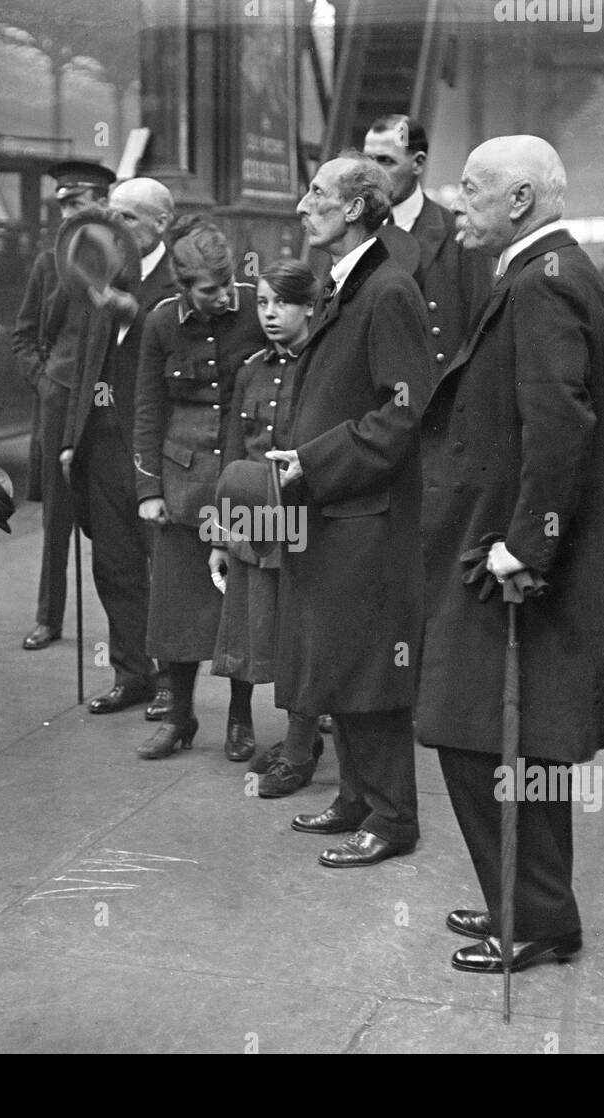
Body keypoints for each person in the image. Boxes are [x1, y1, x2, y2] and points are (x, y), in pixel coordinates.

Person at [418, 135, 604, 974]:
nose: (458, 200)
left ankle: (538, 916)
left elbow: (560, 424)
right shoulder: (545, 271)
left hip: (521, 560)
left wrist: (527, 544)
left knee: (480, 733)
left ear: (518, 201)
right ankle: (531, 904)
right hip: (529, 549)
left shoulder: (541, 284)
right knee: (515, 739)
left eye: (472, 188)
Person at [266, 151, 432, 868]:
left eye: (318, 193)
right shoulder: (350, 284)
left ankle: (393, 818)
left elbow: (404, 413)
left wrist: (315, 460)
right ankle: (359, 797)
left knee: (373, 667)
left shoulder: (388, 290)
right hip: (338, 512)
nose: (304, 204)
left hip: (364, 515)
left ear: (359, 207)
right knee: (342, 657)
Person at [133, 218, 263, 760]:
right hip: (182, 482)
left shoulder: (258, 307)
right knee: (177, 611)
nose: (224, 296)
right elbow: (147, 407)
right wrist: (148, 489)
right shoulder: (161, 323)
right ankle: (180, 717)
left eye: (228, 282)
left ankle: (240, 719)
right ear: (183, 287)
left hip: (244, 480)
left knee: (241, 609)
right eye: (210, 290)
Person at [59, 180, 177, 719]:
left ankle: (175, 685)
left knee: (168, 570)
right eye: (111, 215)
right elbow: (83, 362)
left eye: (128, 218)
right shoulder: (95, 271)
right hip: (101, 444)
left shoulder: (179, 281)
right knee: (114, 566)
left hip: (156, 449)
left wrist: (137, 314)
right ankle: (133, 675)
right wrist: (69, 439)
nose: (115, 227)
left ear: (161, 225)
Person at [210, 259, 323, 796]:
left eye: (283, 303)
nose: (271, 314)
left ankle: (302, 744)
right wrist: (220, 535)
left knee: (298, 634)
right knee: (253, 627)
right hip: (253, 520)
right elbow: (233, 454)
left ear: (310, 307)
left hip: (302, 518)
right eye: (262, 303)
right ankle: (264, 729)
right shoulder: (251, 370)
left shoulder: (322, 369)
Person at [12, 161, 116, 653]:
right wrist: (45, 381)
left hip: (112, 400)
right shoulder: (45, 262)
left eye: (76, 203)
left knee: (122, 515)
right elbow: (24, 334)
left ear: (102, 204)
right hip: (62, 395)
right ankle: (48, 616)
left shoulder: (123, 261)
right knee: (57, 516)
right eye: (62, 205)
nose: (67, 214)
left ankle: (137, 631)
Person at [363, 114, 493, 368]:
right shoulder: (354, 231)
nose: (373, 174)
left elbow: (479, 328)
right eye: (368, 161)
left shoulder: (458, 232)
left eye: (386, 161)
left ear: (418, 163)